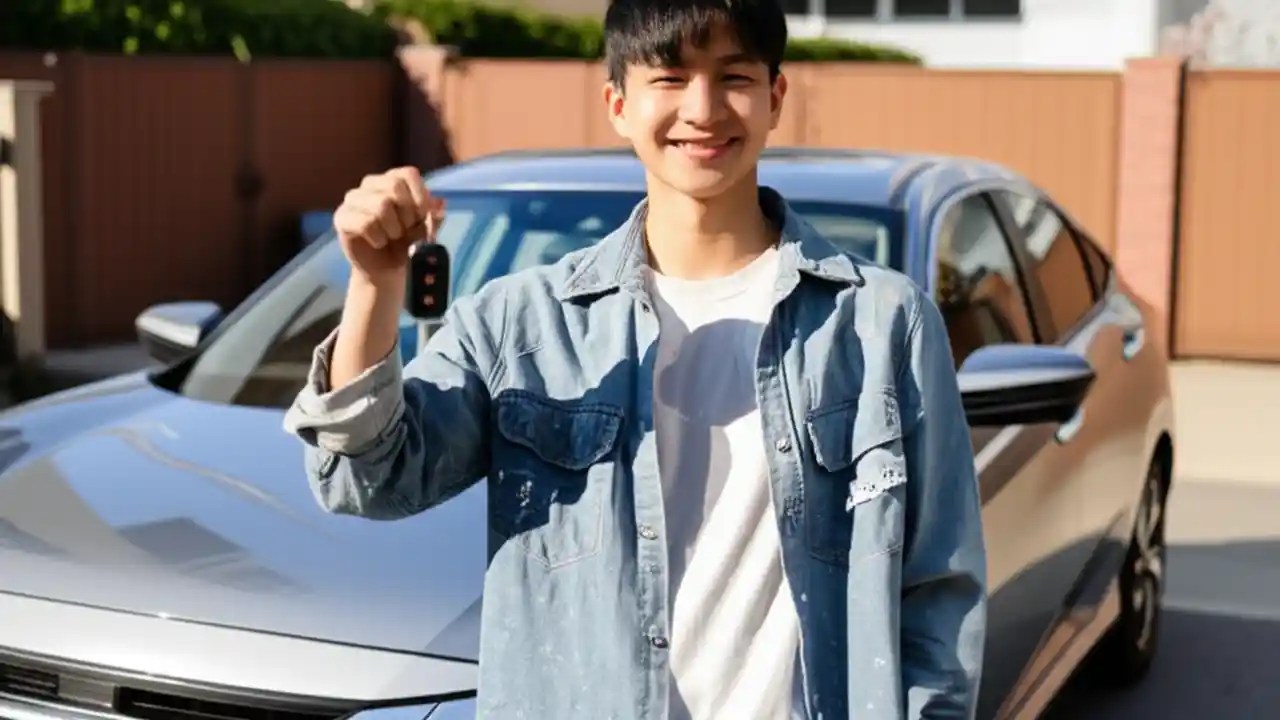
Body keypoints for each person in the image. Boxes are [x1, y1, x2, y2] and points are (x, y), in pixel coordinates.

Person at [283, 0, 987, 717]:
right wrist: (373, 283)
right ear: (618, 103)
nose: (704, 109)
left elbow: (940, 587)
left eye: (734, 76)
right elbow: (366, 480)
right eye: (671, 77)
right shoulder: (521, 324)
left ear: (775, 98)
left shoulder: (881, 322)